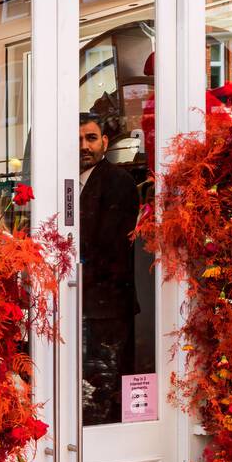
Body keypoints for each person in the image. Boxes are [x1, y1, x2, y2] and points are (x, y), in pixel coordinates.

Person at [78, 113, 140, 425]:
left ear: (105, 142)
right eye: (77, 140)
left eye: (90, 138)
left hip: (106, 309)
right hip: (84, 305)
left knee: (101, 394)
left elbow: (106, 246)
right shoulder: (70, 182)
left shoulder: (118, 182)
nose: (83, 146)